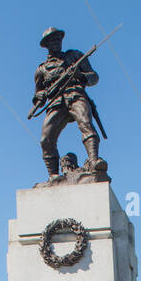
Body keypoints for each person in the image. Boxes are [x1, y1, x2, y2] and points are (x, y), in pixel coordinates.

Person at [33, 28, 104, 178]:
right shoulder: (41, 69)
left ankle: (94, 161)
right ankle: (53, 175)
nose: (56, 41)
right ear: (46, 44)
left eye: (58, 38)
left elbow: (94, 77)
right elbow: (38, 93)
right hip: (56, 102)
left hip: (75, 95)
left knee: (86, 124)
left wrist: (80, 75)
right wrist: (40, 98)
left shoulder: (74, 56)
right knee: (46, 139)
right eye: (52, 39)